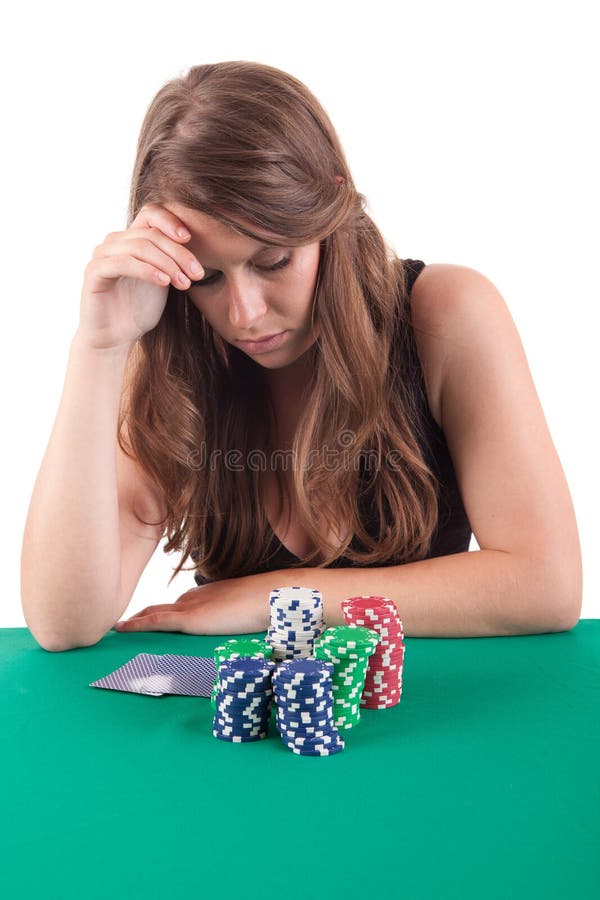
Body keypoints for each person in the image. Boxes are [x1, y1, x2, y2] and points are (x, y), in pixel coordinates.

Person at [20, 61, 582, 652]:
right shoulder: (172, 358)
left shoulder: (445, 314)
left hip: (438, 718)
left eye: (272, 262)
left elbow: (545, 584)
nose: (244, 314)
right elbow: (63, 623)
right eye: (206, 277)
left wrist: (279, 597)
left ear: (331, 206)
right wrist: (100, 347)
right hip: (252, 740)